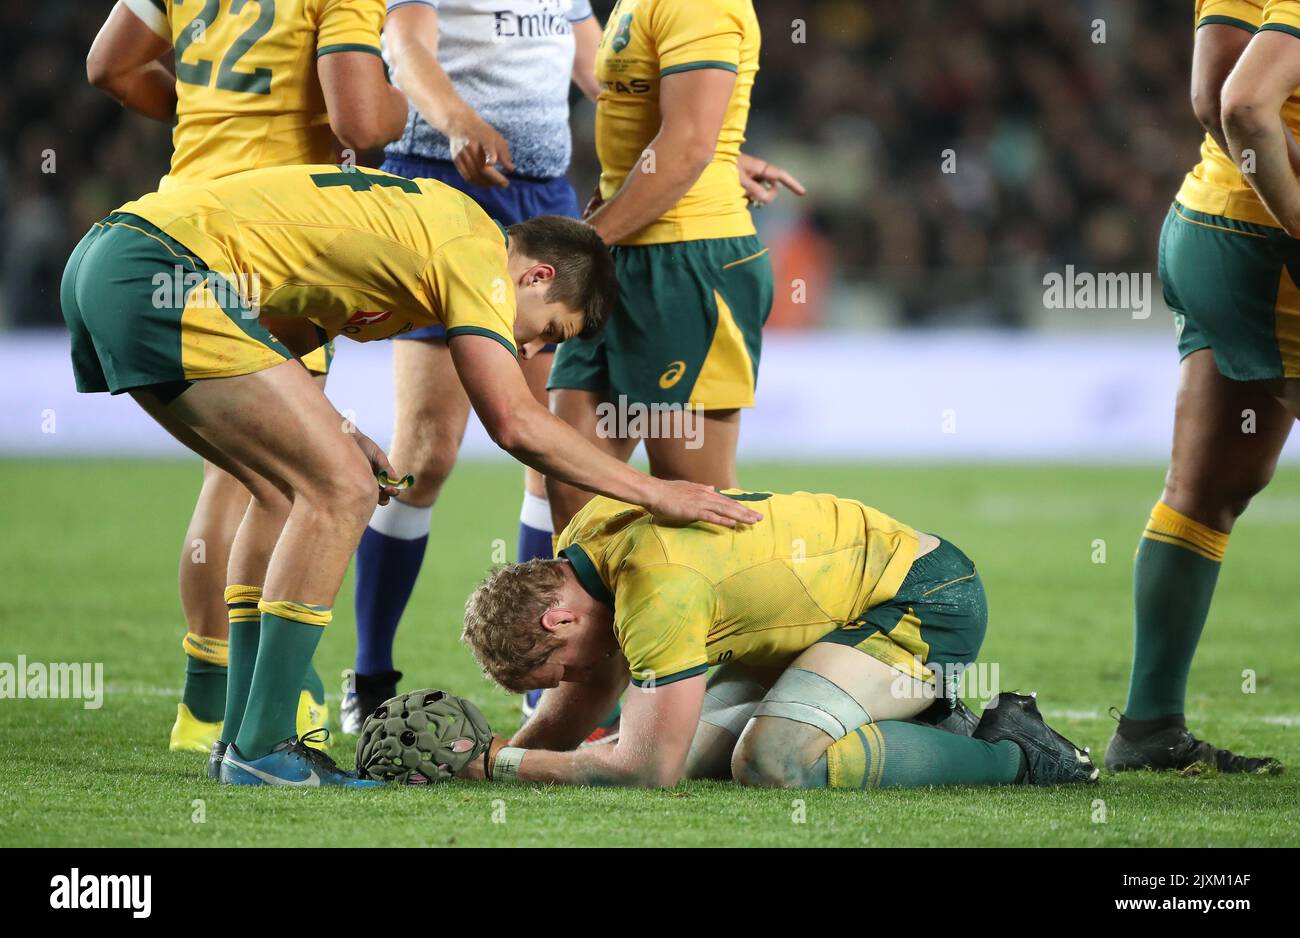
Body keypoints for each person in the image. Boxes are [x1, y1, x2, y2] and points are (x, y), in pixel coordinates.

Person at [60, 162, 761, 787]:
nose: (529, 346)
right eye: (550, 330)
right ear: (536, 275)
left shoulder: (416, 256)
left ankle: (240, 741)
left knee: (280, 489)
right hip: (162, 269)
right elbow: (514, 422)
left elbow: (278, 335)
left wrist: (336, 430)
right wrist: (654, 490)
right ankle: (266, 746)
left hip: (114, 261)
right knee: (342, 490)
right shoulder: (477, 251)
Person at [85, 0, 408, 753]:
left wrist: (208, 117)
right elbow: (364, 124)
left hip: (180, 221)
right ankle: (253, 697)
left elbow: (110, 65)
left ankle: (209, 698)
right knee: (287, 483)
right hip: (273, 238)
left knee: (237, 480)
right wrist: (401, 102)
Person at [342, 0, 606, 729]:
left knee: (548, 458)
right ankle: (370, 675)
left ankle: (538, 682)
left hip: (541, 193)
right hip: (440, 182)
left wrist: (702, 151)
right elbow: (403, 43)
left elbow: (605, 72)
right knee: (426, 453)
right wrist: (457, 118)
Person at [459, 489, 1098, 789]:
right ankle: (926, 719)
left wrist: (503, 762)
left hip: (920, 601)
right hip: (825, 617)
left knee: (770, 764)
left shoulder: (658, 593)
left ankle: (1016, 753)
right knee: (683, 751)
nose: (573, 683)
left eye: (558, 671)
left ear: (558, 619)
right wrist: (491, 763)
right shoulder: (586, 539)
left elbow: (647, 772)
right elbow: (604, 701)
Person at [1106, 0, 1288, 775]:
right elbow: (1245, 104)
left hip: (1212, 225)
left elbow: (1210, 88)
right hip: (1273, 247)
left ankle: (1148, 729)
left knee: (1208, 487)